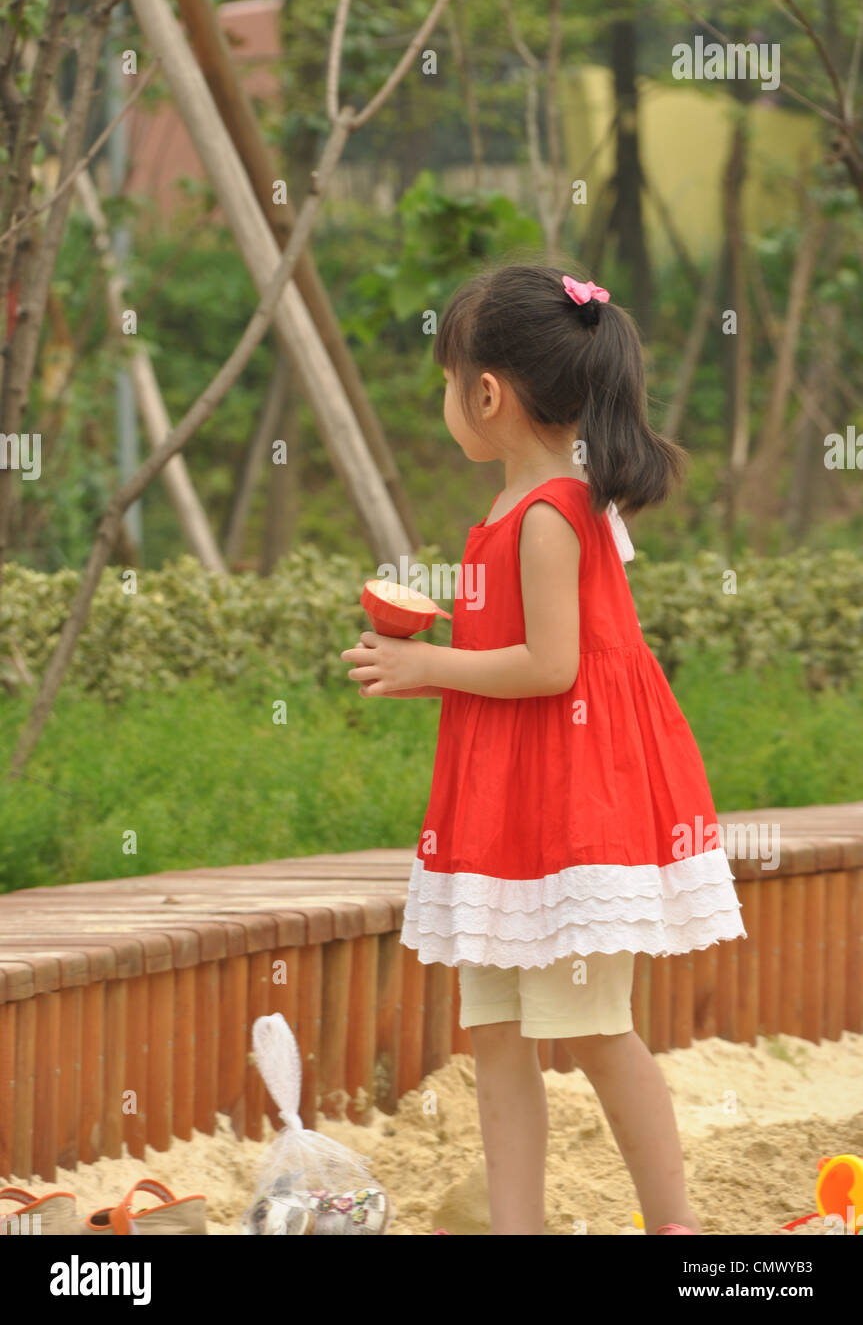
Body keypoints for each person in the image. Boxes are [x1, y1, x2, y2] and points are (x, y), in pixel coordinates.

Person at [341, 261, 746, 1236]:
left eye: (447, 382)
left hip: (570, 813)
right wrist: (438, 660)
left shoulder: (554, 513)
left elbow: (554, 666)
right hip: (506, 813)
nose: (446, 399)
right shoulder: (518, 509)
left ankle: (674, 1230)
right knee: (495, 1033)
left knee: (598, 1032)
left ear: (486, 394)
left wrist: (428, 667)